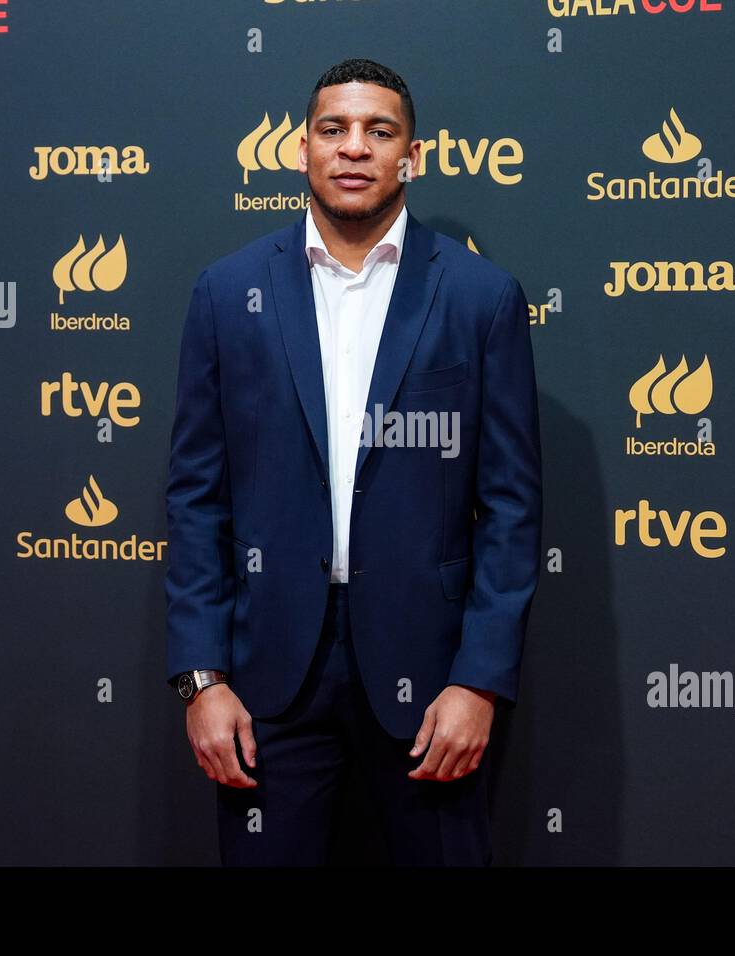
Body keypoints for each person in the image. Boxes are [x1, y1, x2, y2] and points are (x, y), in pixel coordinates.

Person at [164, 58, 542, 866]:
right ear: (301, 150)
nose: (354, 148)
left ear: (413, 156)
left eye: (380, 131)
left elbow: (512, 509)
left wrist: (478, 681)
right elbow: (196, 499)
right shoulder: (229, 293)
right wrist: (202, 679)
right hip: (268, 677)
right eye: (333, 130)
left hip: (432, 678)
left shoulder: (481, 297)